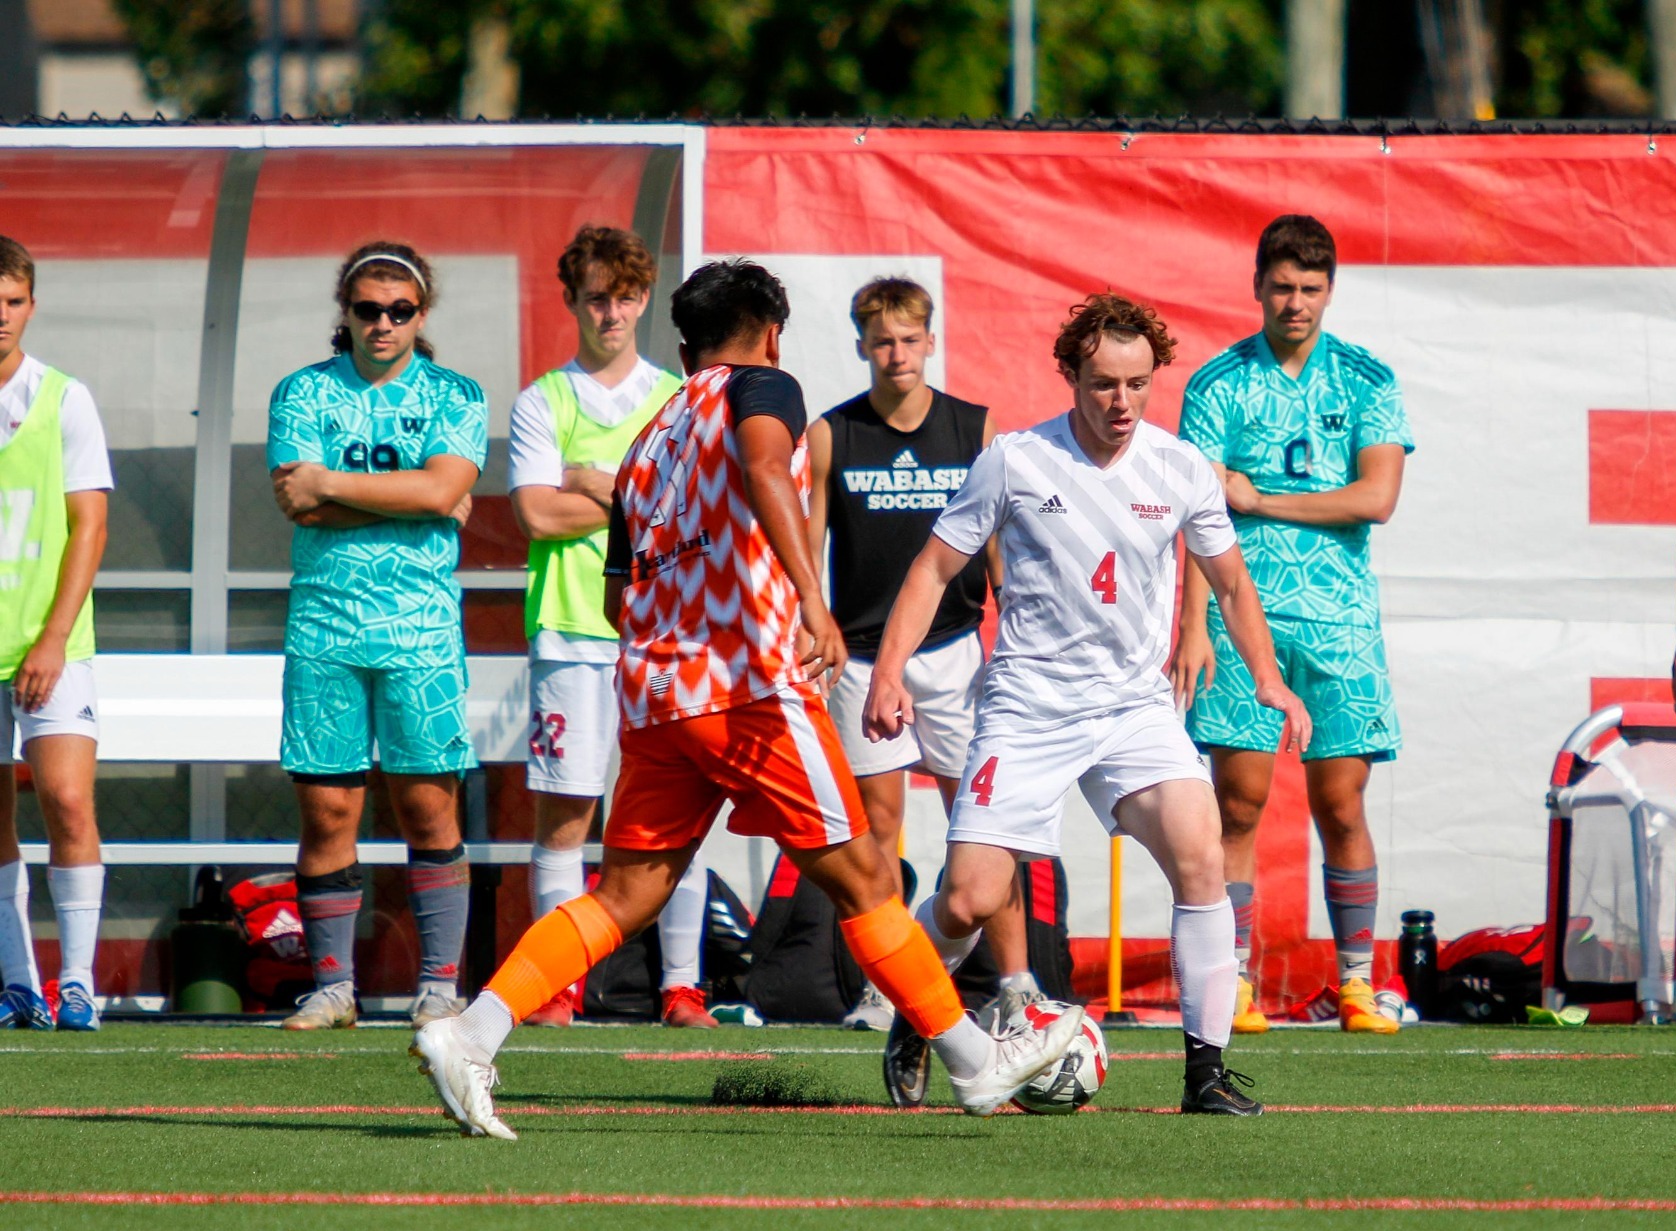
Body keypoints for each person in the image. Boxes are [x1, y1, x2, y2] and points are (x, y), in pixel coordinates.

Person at [411, 260, 1081, 1138]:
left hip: (657, 691)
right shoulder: (765, 383)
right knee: (868, 875)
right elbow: (766, 464)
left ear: (684, 347)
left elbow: (619, 596)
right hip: (750, 688)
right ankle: (971, 1060)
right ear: (772, 332)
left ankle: (472, 1029)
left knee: (623, 895)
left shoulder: (649, 439)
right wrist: (809, 596)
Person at [864, 292, 1310, 1116]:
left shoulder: (1180, 469)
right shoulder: (1015, 460)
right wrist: (890, 671)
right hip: (1029, 706)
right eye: (1105, 383)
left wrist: (1269, 676)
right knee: (964, 897)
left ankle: (1205, 1073)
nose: (1122, 403)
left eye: (1139, 384)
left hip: (1133, 711)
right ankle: (914, 1007)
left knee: (1201, 852)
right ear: (1070, 374)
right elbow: (931, 569)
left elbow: (1234, 584)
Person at [1172, 214, 1412, 1037]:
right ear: (1257, 286)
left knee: (1341, 803)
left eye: (1311, 288)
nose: (1296, 302)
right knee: (1236, 804)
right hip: (1244, 619)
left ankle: (1355, 982)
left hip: (1340, 619)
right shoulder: (1215, 384)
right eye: (1282, 286)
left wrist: (1262, 498)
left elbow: (1376, 496)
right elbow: (1195, 516)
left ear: (1331, 290)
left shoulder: (1367, 379)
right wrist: (1193, 626)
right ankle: (1232, 981)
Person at [805, 277, 1039, 1071]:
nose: (897, 352)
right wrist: (819, 624)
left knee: (986, 825)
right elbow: (809, 545)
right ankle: (888, 986)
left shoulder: (973, 426)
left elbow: (1005, 542)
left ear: (931, 340)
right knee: (876, 835)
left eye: (910, 338)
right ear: (862, 344)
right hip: (866, 657)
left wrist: (1016, 625)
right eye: (881, 339)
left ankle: (1015, 983)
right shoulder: (833, 432)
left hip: (956, 651)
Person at [267, 241, 487, 1032]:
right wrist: (418, 498)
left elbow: (443, 486)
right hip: (325, 624)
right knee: (327, 811)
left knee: (429, 809)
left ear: (421, 314)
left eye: (399, 310)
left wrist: (338, 480)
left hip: (423, 632)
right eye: (368, 309)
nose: (383, 323)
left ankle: (438, 985)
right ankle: (332, 988)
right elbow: (299, 503)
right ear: (346, 313)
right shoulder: (300, 393)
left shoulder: (456, 394)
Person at [507, 224, 713, 1030]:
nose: (612, 312)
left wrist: (595, 480)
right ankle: (558, 989)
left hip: (666, 636)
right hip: (569, 629)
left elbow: (689, 509)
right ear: (572, 301)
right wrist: (633, 490)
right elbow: (534, 511)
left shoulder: (675, 395)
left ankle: (683, 987)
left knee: (680, 817)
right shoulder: (543, 398)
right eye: (597, 296)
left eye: (626, 296)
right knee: (568, 815)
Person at [0, 235, 112, 1032]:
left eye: (12, 302)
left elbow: (89, 526)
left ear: (31, 306)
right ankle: (16, 982)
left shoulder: (63, 397)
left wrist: (52, 636)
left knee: (68, 801)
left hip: (51, 644)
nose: (0, 317)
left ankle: (77, 984)